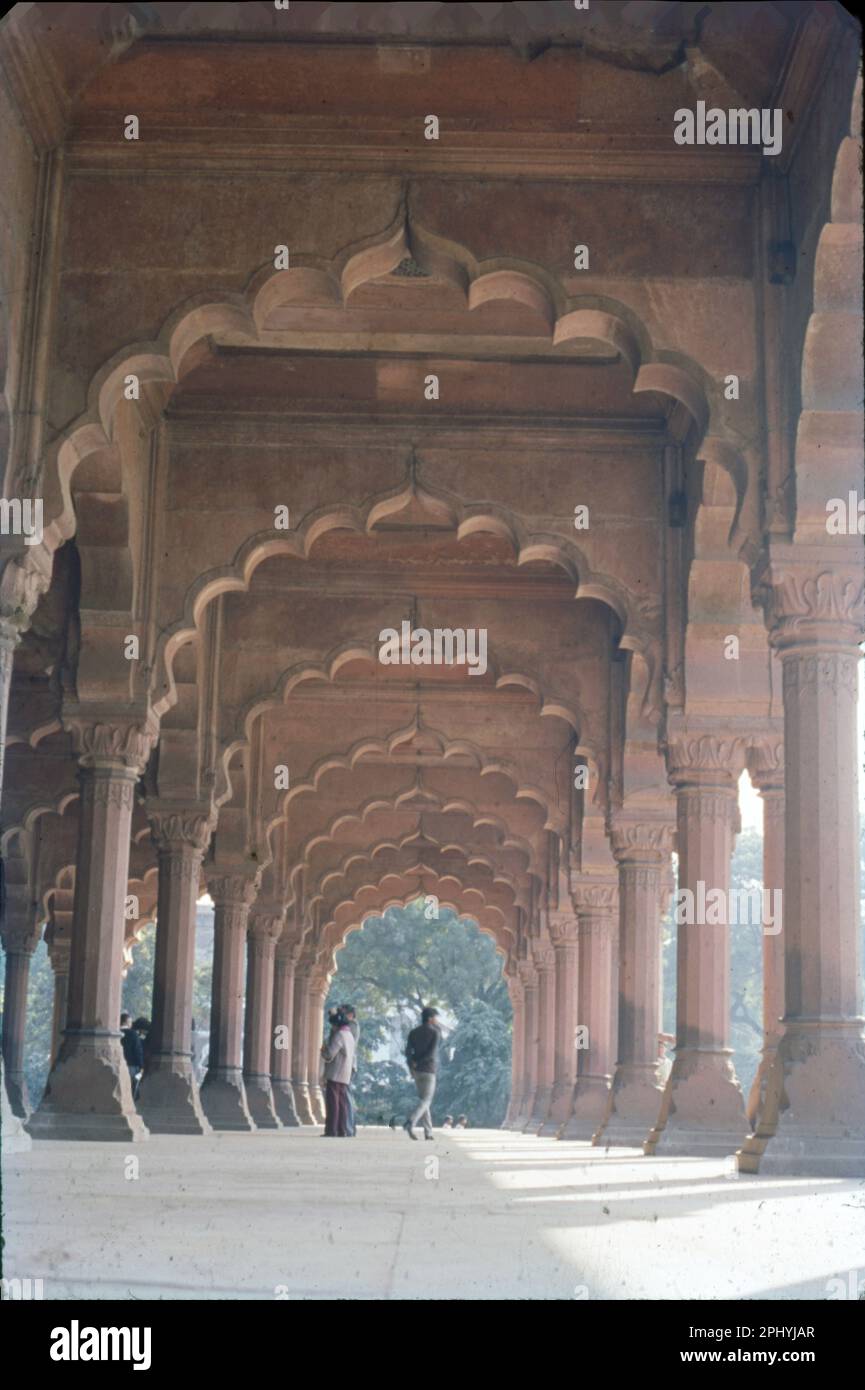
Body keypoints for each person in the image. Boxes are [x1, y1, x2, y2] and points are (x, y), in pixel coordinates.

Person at [394, 1005, 441, 1141]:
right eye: (435, 1017)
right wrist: (419, 1062)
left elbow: (408, 1052)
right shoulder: (435, 1032)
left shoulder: (413, 1032)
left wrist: (412, 1063)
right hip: (428, 1070)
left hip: (416, 1071)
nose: (436, 1020)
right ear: (430, 1019)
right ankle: (411, 1121)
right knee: (427, 1100)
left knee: (423, 1101)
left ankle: (428, 1132)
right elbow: (431, 1053)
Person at [321, 1006, 356, 1137]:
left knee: (332, 1103)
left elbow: (330, 1054)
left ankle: (331, 1130)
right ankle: (342, 1130)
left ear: (336, 1024)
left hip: (335, 1074)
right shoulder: (349, 1035)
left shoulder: (339, 1035)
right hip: (345, 1074)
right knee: (342, 1104)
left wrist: (323, 1049)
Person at [342, 1005, 359, 1137]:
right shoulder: (349, 1025)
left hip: (348, 1064)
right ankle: (349, 1126)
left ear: (351, 1014)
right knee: (347, 1095)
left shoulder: (352, 1025)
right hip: (347, 1063)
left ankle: (349, 1127)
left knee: (347, 1096)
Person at [121, 1014, 145, 1099]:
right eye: (130, 1022)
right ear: (126, 1022)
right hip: (132, 1067)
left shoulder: (116, 1033)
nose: (131, 1024)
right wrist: (141, 1066)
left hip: (120, 1065)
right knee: (134, 1085)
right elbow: (138, 1051)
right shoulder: (133, 1034)